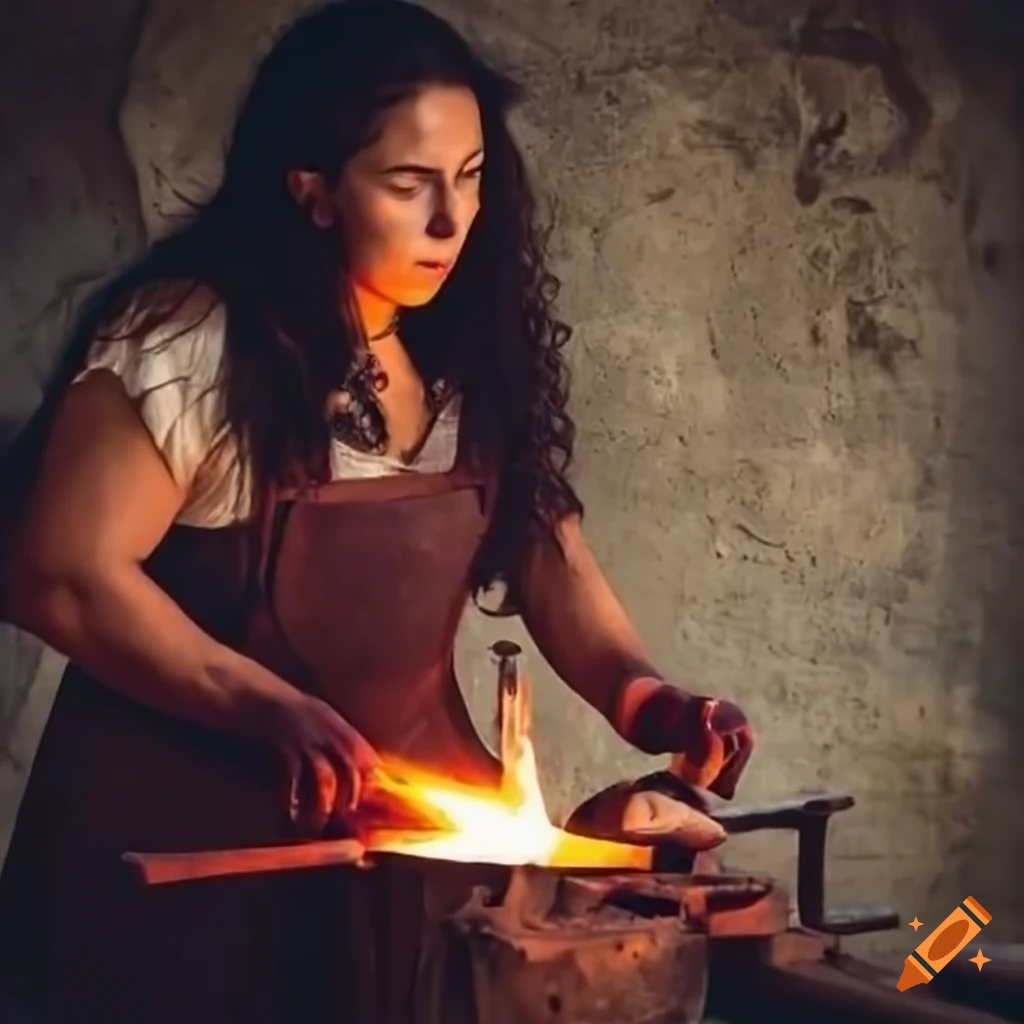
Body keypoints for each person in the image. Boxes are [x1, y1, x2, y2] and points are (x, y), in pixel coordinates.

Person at [0, 2, 755, 1020]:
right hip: (179, 873)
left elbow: (545, 555)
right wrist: (266, 705)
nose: (453, 221)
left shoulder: (460, 349)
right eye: (410, 185)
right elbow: (60, 572)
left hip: (391, 864)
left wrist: (650, 700)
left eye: (473, 178)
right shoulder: (190, 342)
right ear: (311, 190)